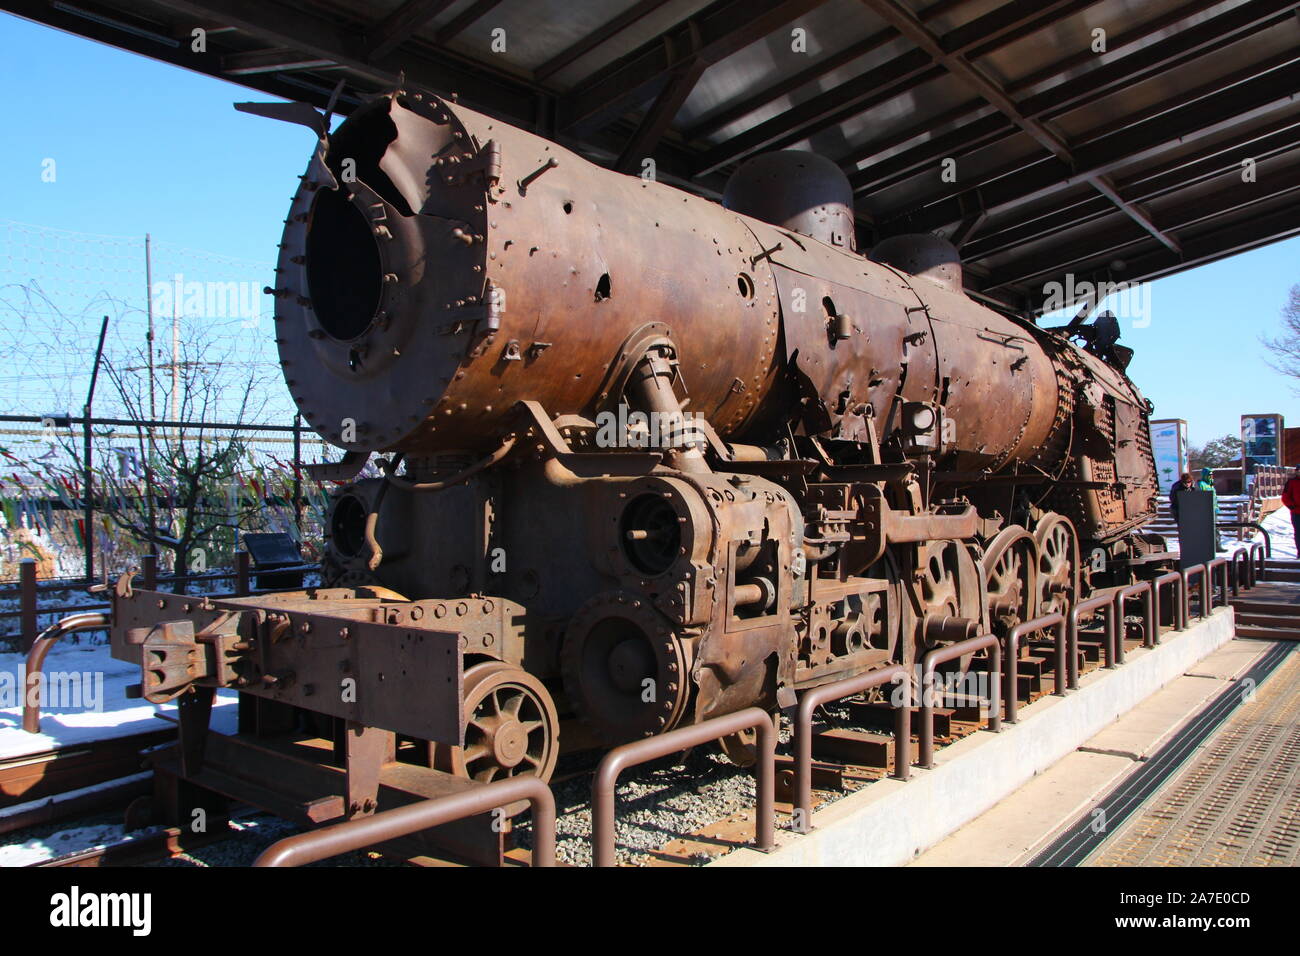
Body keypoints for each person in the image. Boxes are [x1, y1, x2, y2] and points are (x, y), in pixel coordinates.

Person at [1197, 467, 1223, 552]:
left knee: (1216, 528)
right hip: (1206, 510)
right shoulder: (1201, 484)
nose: (1211, 477)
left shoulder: (1211, 485)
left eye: (1211, 475)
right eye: (1209, 475)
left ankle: (1217, 545)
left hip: (1214, 510)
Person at [1282, 465, 1300, 554]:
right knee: (1299, 533)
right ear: (1296, 472)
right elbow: (1285, 497)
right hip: (1297, 513)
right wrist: (1292, 506)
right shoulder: (1291, 482)